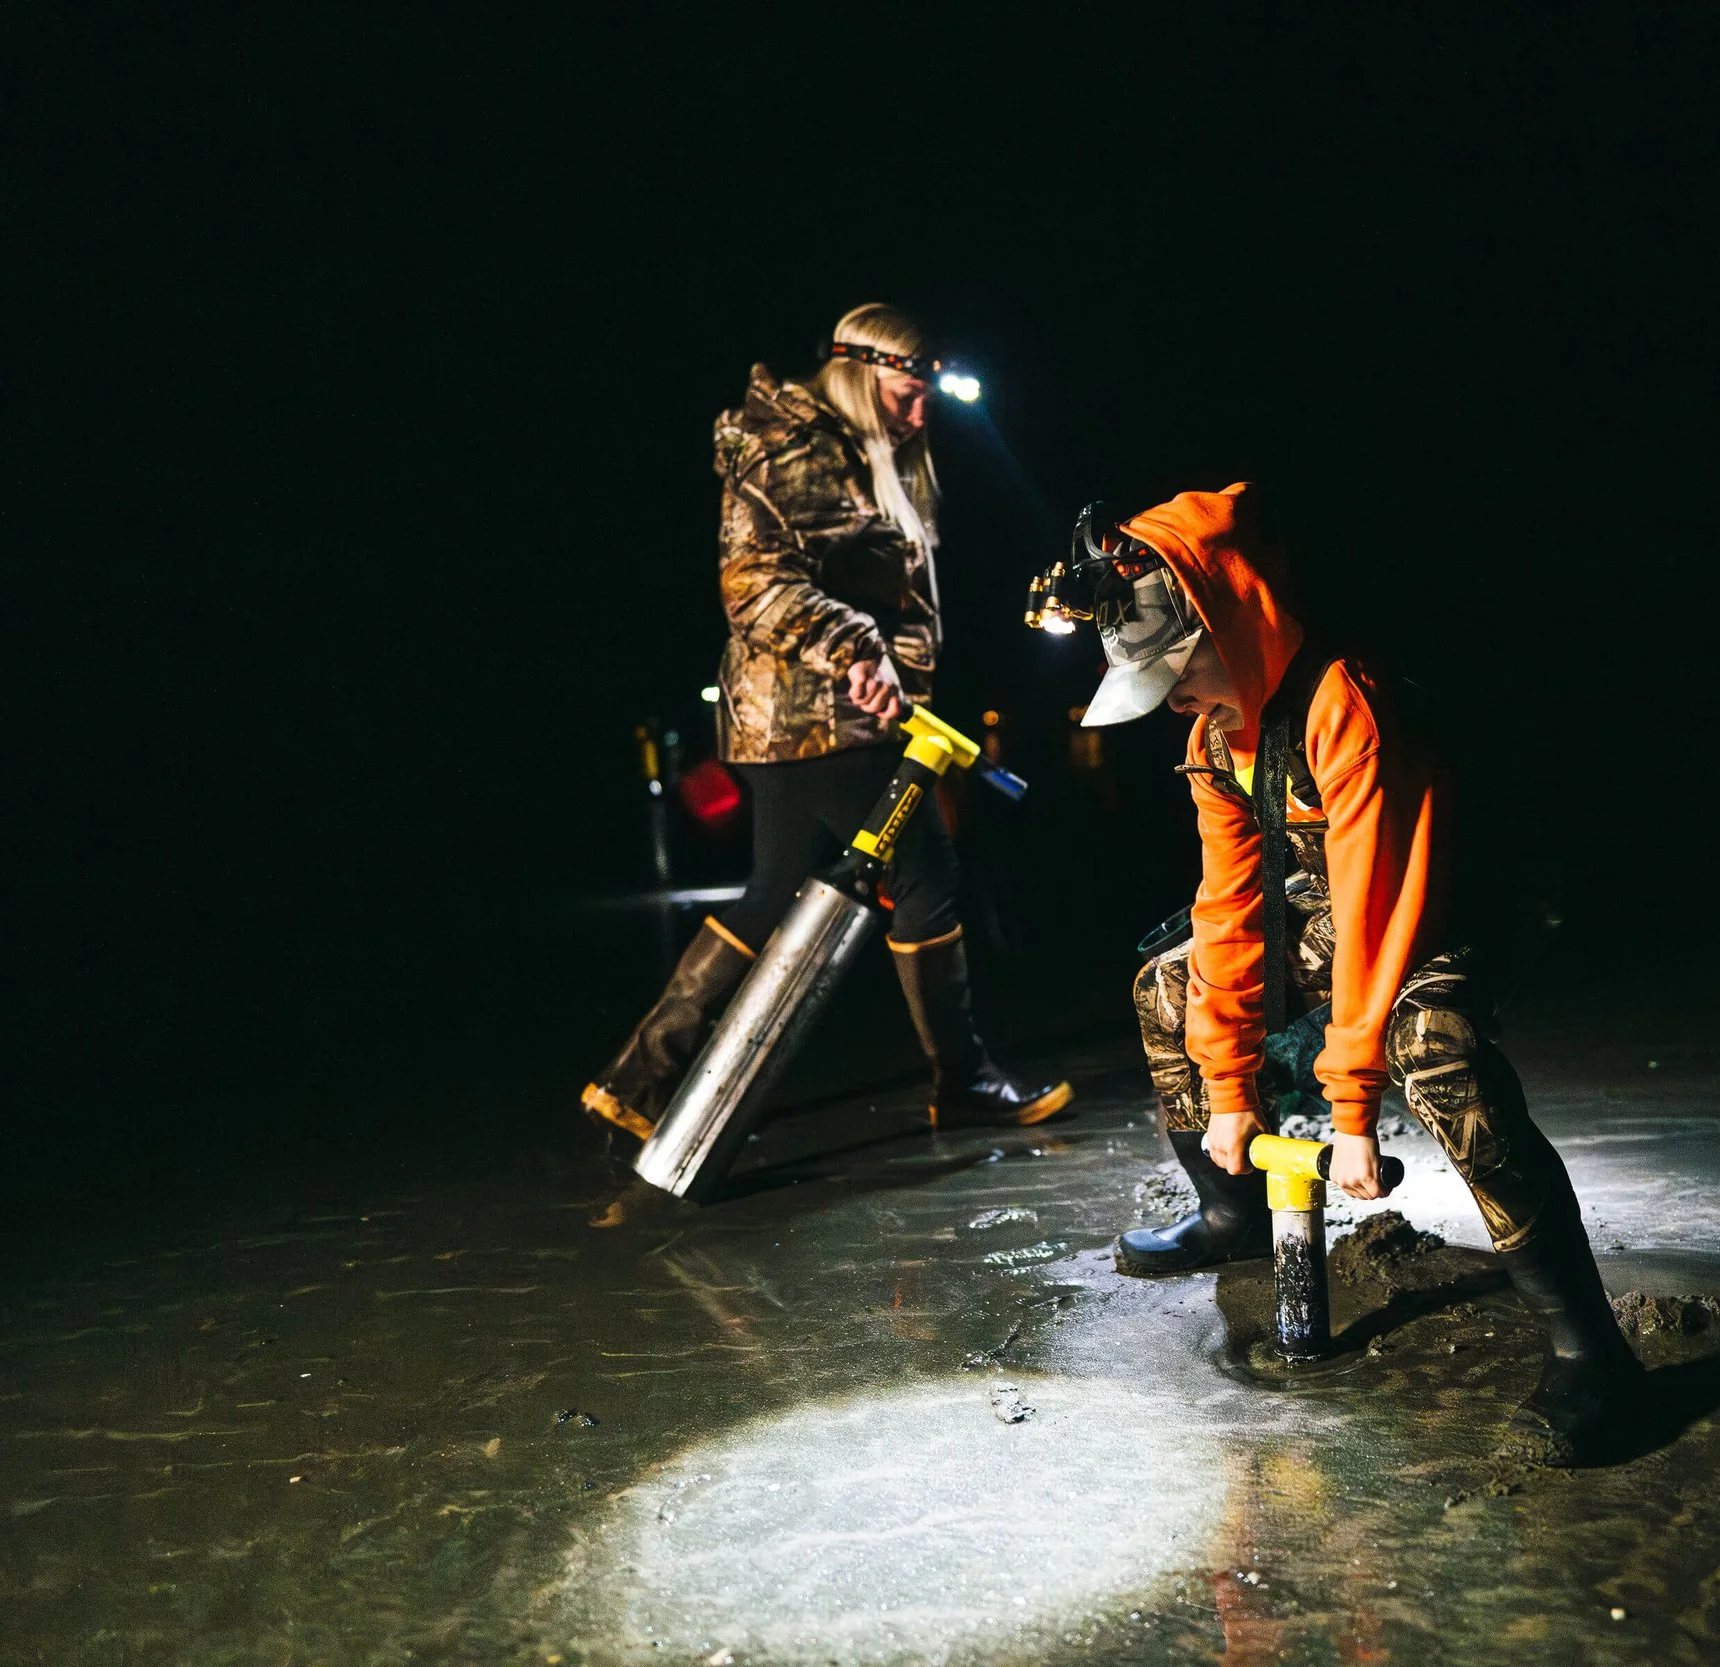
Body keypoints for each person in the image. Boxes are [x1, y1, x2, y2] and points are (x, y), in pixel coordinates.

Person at [1055, 483, 1641, 1464]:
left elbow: (1380, 905)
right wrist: (1231, 1092)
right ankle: (1233, 1214)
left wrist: (1353, 1102)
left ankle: (1594, 1353)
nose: (1178, 703)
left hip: (1450, 894)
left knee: (1436, 1048)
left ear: (1229, 625)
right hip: (1336, 899)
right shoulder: (1213, 738)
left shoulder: (1347, 701)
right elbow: (1230, 906)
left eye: (1178, 675)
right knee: (1170, 984)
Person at [583, 304, 1071, 1139]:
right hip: (817, 715)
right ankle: (964, 1080)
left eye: (927, 398)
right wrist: (856, 651)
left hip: (810, 718)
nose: (919, 415)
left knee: (774, 891)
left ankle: (635, 1080)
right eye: (903, 393)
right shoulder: (797, 444)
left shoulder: (861, 448)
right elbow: (755, 583)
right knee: (923, 873)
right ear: (854, 369)